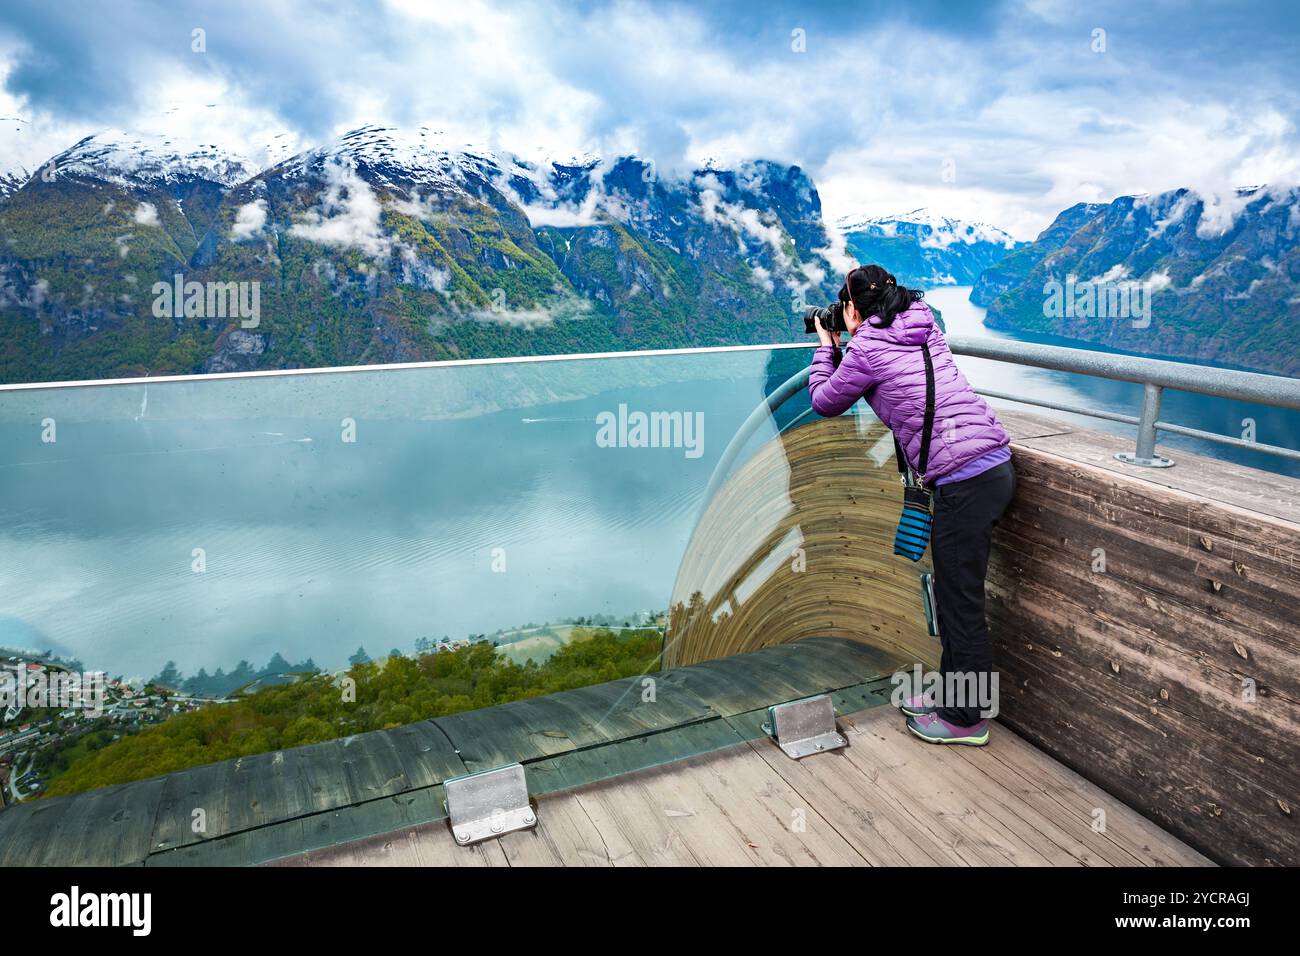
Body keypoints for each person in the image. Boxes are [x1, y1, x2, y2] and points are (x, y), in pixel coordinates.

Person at [807, 264, 1014, 746]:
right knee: (952, 596)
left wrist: (826, 347)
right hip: (993, 467)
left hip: (965, 481)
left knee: (961, 606)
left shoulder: (866, 349)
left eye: (846, 308)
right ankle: (950, 695)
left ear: (852, 309)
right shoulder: (925, 328)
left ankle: (965, 719)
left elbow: (825, 401)